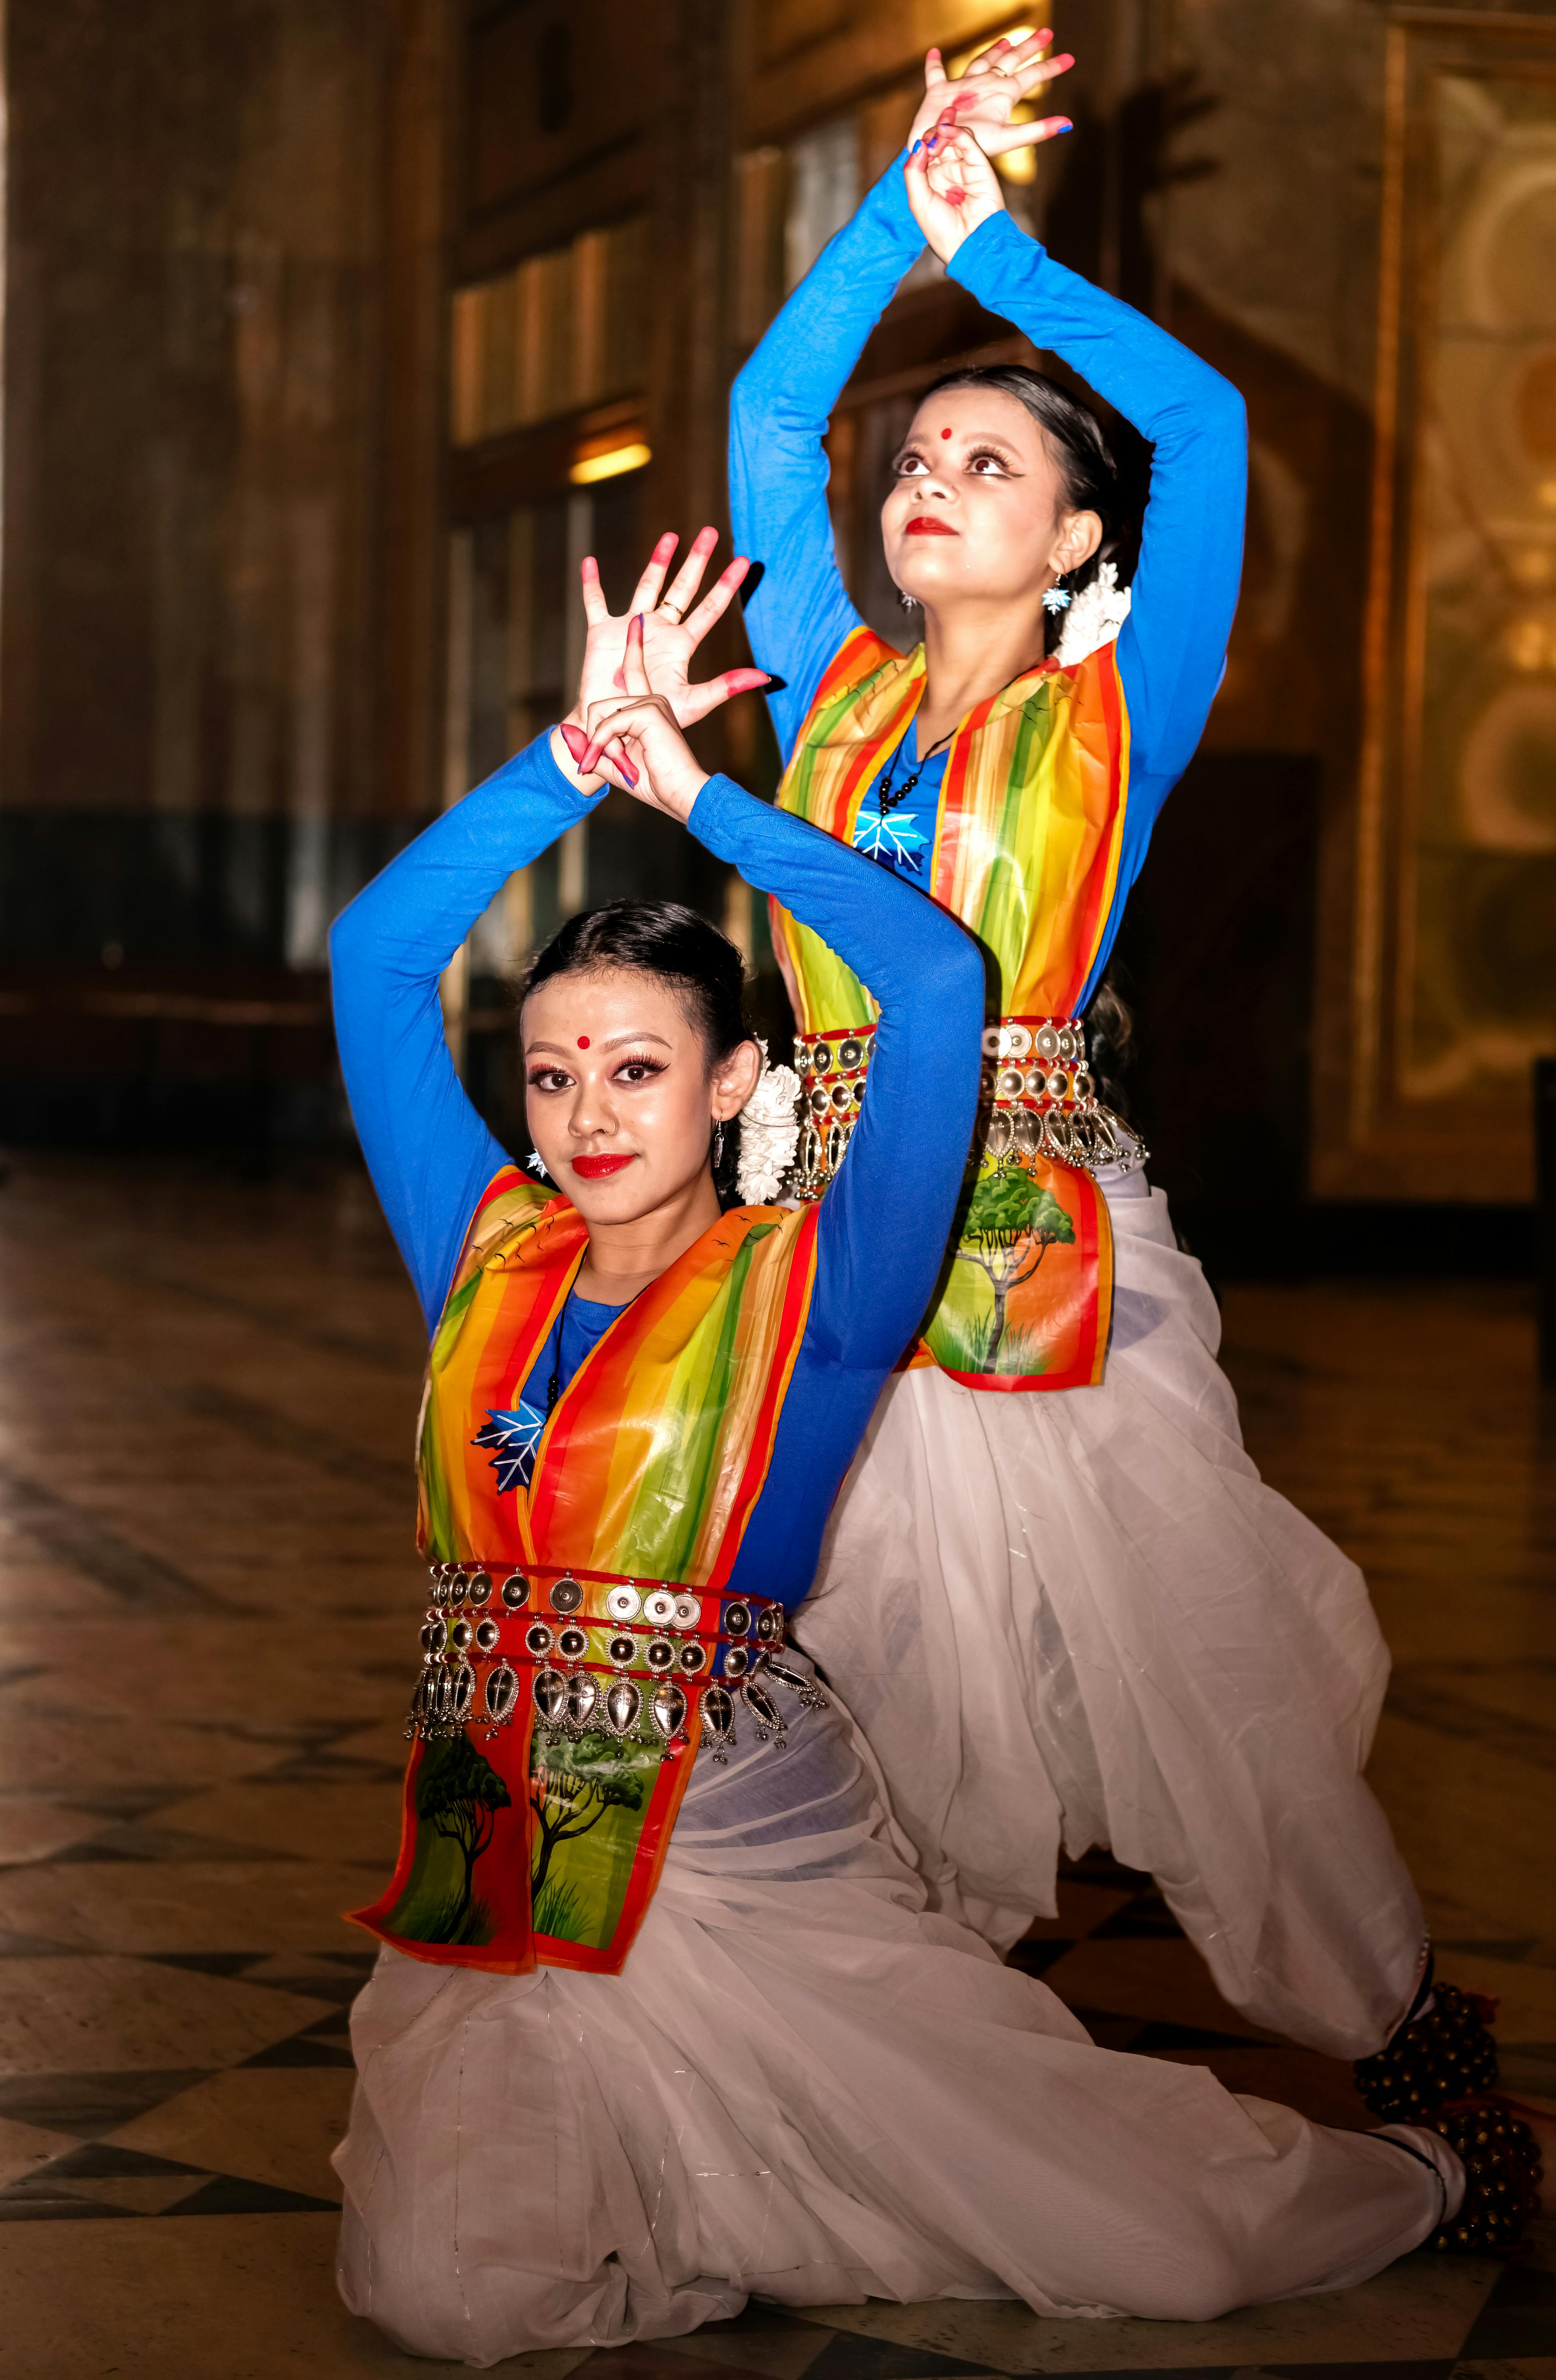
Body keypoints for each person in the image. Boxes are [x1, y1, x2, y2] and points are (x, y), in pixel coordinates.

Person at [324, 540, 1491, 2368]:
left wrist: (698, 789)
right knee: (449, 2294)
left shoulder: (824, 1281)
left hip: (745, 1855)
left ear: (730, 1084)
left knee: (1158, 2247)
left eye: (638, 1071)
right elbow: (377, 954)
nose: (583, 1117)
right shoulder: (478, 1247)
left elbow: (934, 987)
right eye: (553, 1077)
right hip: (498, 1863)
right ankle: (717, 2182)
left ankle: (1425, 2171)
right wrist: (571, 755)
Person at [728, 28, 1488, 2099]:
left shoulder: (1117, 712)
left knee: (1186, 1685)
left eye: (990, 461)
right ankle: (911, 2070)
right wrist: (903, 195)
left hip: (1048, 1248)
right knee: (849, 1668)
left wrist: (1009, 263)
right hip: (820, 1244)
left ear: (1076, 540)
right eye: (922, 458)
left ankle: (1411, 2051)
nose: (926, 482)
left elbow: (1207, 416)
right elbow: (770, 407)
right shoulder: (827, 679)